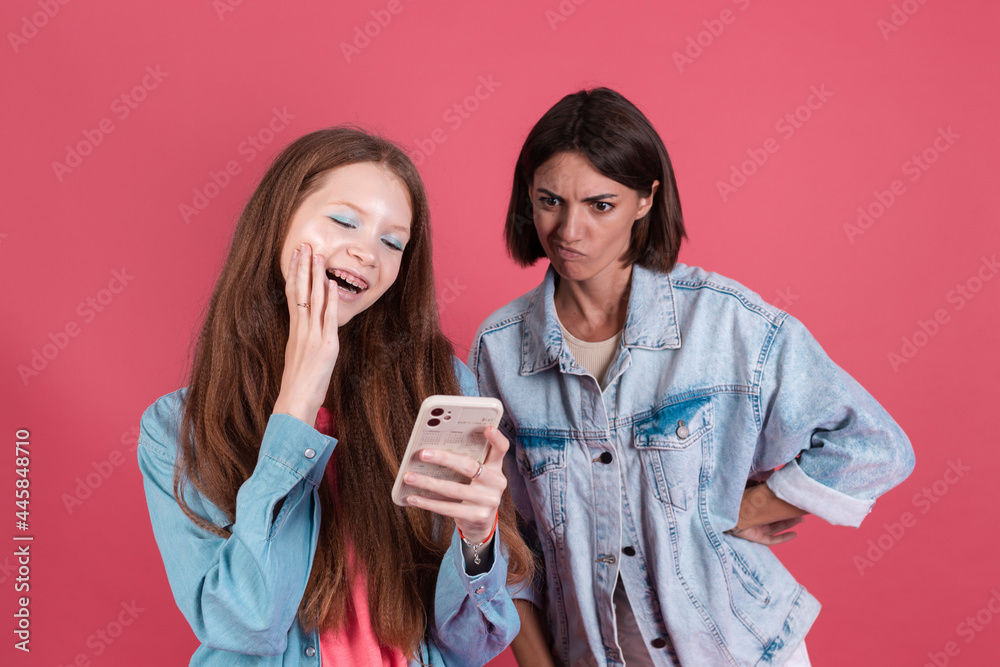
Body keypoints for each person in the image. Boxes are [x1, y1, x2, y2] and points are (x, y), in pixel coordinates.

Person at [468, 88, 915, 666]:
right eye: (550, 200)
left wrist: (746, 509)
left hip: (743, 650)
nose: (569, 230)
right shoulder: (500, 351)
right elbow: (503, 541)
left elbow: (873, 446)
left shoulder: (724, 322)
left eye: (600, 205)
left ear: (646, 200)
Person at [137, 127, 532, 666]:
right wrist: (298, 402)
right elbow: (244, 623)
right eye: (344, 221)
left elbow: (472, 645)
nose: (366, 252)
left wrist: (477, 539)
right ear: (279, 219)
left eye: (393, 242)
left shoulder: (437, 387)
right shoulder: (177, 430)